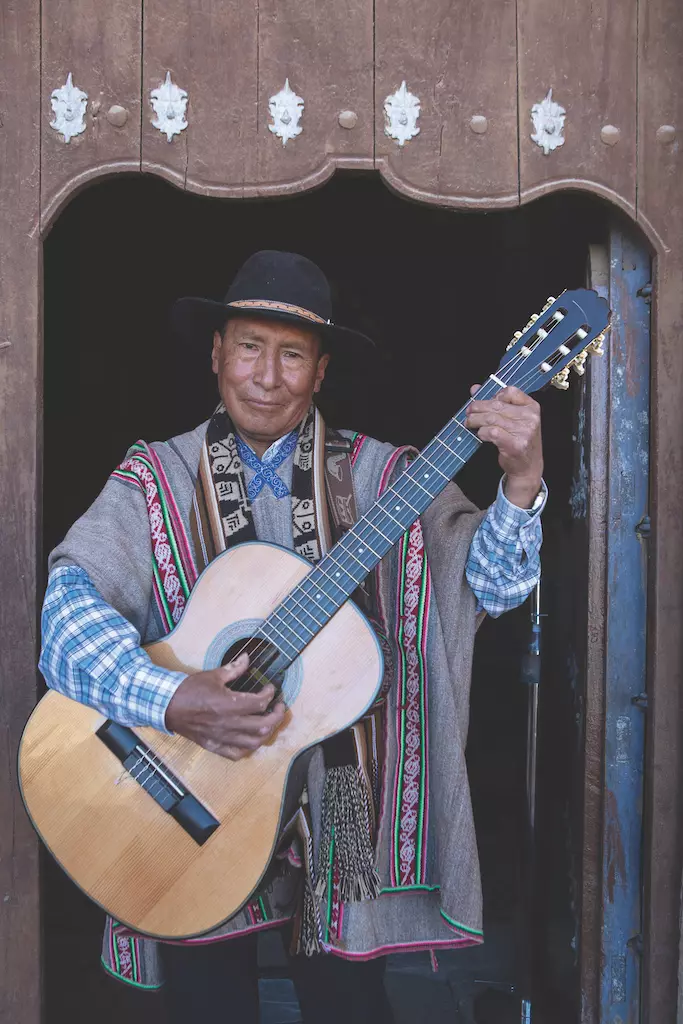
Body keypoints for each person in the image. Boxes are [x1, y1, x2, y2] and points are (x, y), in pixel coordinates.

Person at [39, 250, 546, 1023]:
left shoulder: (387, 479)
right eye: (248, 347)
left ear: (320, 371)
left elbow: (493, 591)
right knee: (208, 1005)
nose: (267, 376)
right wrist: (173, 698)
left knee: (348, 1002)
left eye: (292, 354)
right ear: (216, 355)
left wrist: (518, 483)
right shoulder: (152, 479)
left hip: (342, 798)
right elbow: (65, 619)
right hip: (184, 794)